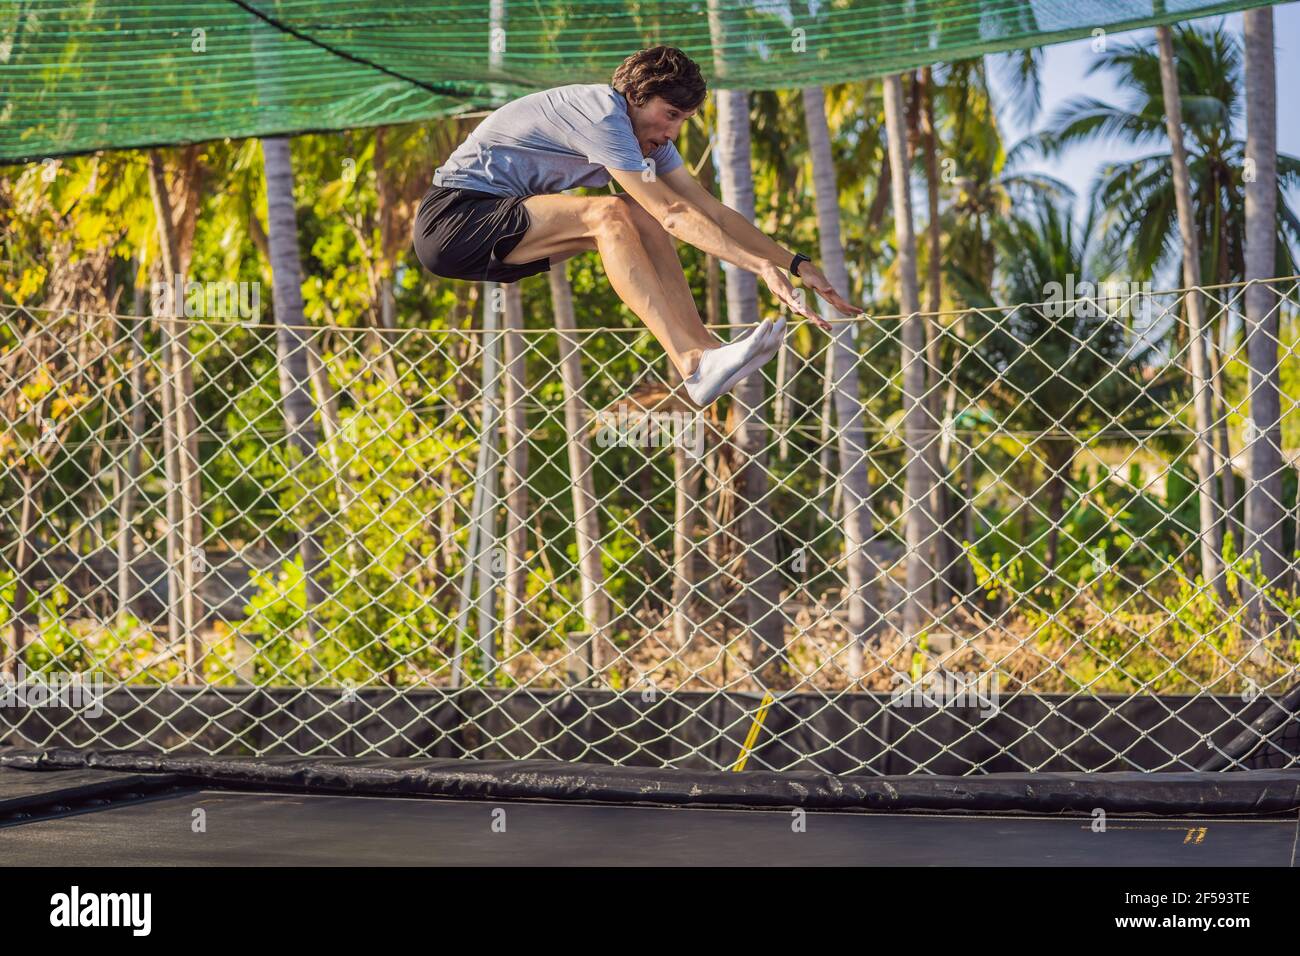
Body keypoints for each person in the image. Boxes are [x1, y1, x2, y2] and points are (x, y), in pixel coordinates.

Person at [412, 45, 861, 406]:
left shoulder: (650, 145)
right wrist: (757, 267)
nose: (673, 134)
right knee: (610, 213)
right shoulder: (603, 114)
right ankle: (691, 359)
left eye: (684, 121)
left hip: (503, 221)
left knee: (637, 215)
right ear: (636, 97)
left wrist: (795, 263)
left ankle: (703, 356)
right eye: (670, 115)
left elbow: (710, 211)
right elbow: (674, 214)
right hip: (454, 220)